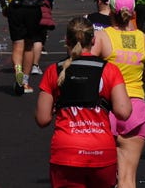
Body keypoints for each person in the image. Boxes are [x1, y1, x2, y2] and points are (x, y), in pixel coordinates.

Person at [36, 16, 132, 188]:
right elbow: (123, 112)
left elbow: (42, 119)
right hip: (101, 151)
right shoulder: (109, 70)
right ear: (93, 40)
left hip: (66, 151)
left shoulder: (54, 71)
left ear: (66, 40)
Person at [96, 0, 145, 188]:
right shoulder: (141, 38)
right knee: (127, 178)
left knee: (101, 175)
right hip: (135, 109)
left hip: (106, 108)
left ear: (111, 11)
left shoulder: (102, 37)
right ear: (132, 12)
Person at [1, 0, 50, 94]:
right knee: (29, 45)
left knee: (17, 44)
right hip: (31, 6)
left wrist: (4, 5)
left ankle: (18, 72)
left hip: (14, 6)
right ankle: (26, 81)